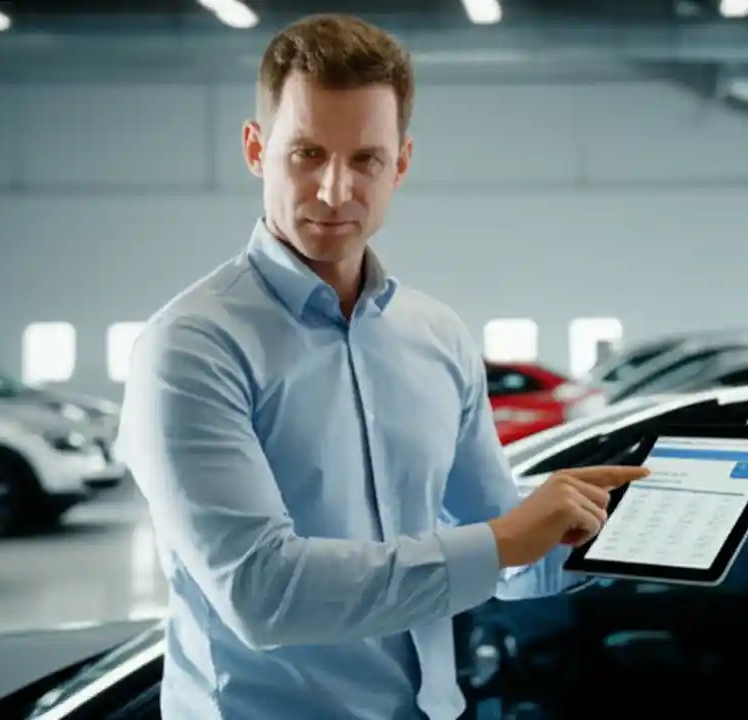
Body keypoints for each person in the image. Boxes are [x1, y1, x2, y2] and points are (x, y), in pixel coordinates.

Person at [116, 13, 648, 720]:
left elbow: (508, 557)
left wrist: (613, 534)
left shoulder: (438, 337)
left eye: (365, 158)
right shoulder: (189, 347)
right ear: (255, 149)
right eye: (306, 153)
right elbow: (263, 595)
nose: (335, 191)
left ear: (400, 163)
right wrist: (504, 539)